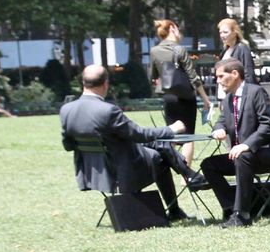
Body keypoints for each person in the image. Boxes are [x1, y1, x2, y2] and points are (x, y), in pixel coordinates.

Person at [59, 65, 195, 221]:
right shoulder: (108, 111)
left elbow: (68, 146)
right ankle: (181, 194)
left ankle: (189, 178)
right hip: (123, 169)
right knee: (160, 157)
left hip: (93, 171)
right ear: (106, 84)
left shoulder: (66, 110)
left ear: (83, 83)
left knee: (157, 150)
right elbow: (140, 135)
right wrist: (171, 129)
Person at [201, 58, 270, 228]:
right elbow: (222, 121)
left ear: (234, 74)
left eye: (220, 76)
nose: (217, 81)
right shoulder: (227, 99)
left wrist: (246, 144)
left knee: (242, 157)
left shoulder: (256, 92)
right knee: (208, 165)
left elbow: (268, 124)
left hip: (268, 153)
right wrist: (218, 129)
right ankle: (231, 207)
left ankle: (242, 215)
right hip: (243, 156)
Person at [150, 20, 214, 165]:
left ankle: (170, 167)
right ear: (172, 29)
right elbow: (193, 77)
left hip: (169, 97)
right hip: (186, 97)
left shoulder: (155, 51)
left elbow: (153, 76)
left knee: (172, 134)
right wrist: (205, 99)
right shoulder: (180, 49)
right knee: (188, 137)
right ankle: (187, 176)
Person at [218, 18, 256, 85]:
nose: (222, 35)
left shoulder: (242, 48)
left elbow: (249, 73)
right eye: (220, 33)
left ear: (235, 33)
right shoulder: (224, 52)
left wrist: (247, 93)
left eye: (225, 32)